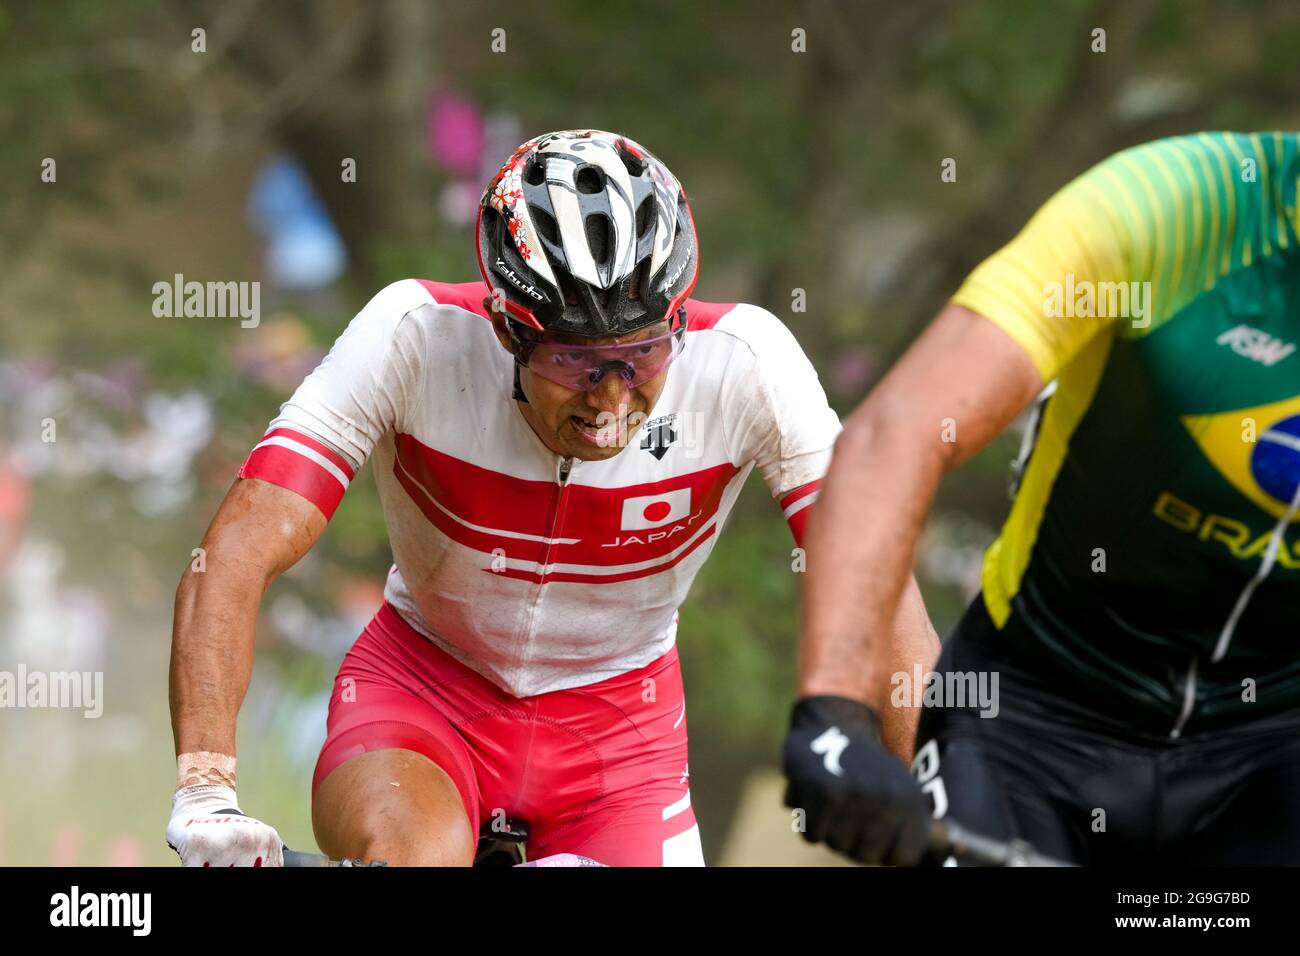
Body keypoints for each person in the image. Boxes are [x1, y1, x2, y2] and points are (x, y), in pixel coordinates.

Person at [167, 129, 936, 867]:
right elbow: (237, 549)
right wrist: (207, 789)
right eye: (575, 359)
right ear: (508, 328)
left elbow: (877, 585)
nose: (609, 401)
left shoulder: (749, 362)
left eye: (641, 355)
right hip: (423, 697)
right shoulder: (413, 334)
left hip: (621, 741)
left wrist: (932, 817)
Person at [784, 131, 1300, 866]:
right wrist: (834, 707)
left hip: (1272, 745)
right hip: (1029, 715)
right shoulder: (1180, 203)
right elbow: (898, 432)